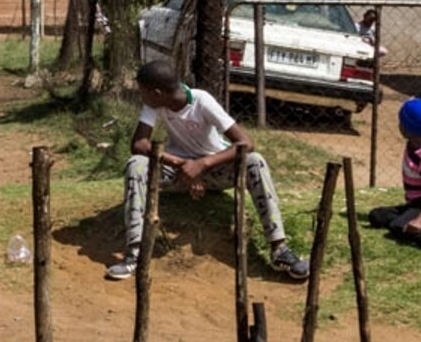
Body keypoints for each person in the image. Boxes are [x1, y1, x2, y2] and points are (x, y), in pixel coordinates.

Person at [109, 57, 311, 282]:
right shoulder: (154, 105)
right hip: (178, 173)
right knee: (136, 164)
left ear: (157, 93)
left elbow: (245, 143)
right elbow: (139, 144)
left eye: (143, 92)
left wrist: (202, 164)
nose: (141, 97)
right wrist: (181, 164)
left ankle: (279, 247)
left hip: (215, 170)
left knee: (255, 160)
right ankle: (134, 252)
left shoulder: (201, 100)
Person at [367, 97, 421, 253]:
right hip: (416, 203)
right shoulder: (415, 143)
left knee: (398, 226)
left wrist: (419, 220)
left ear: (406, 128)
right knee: (376, 216)